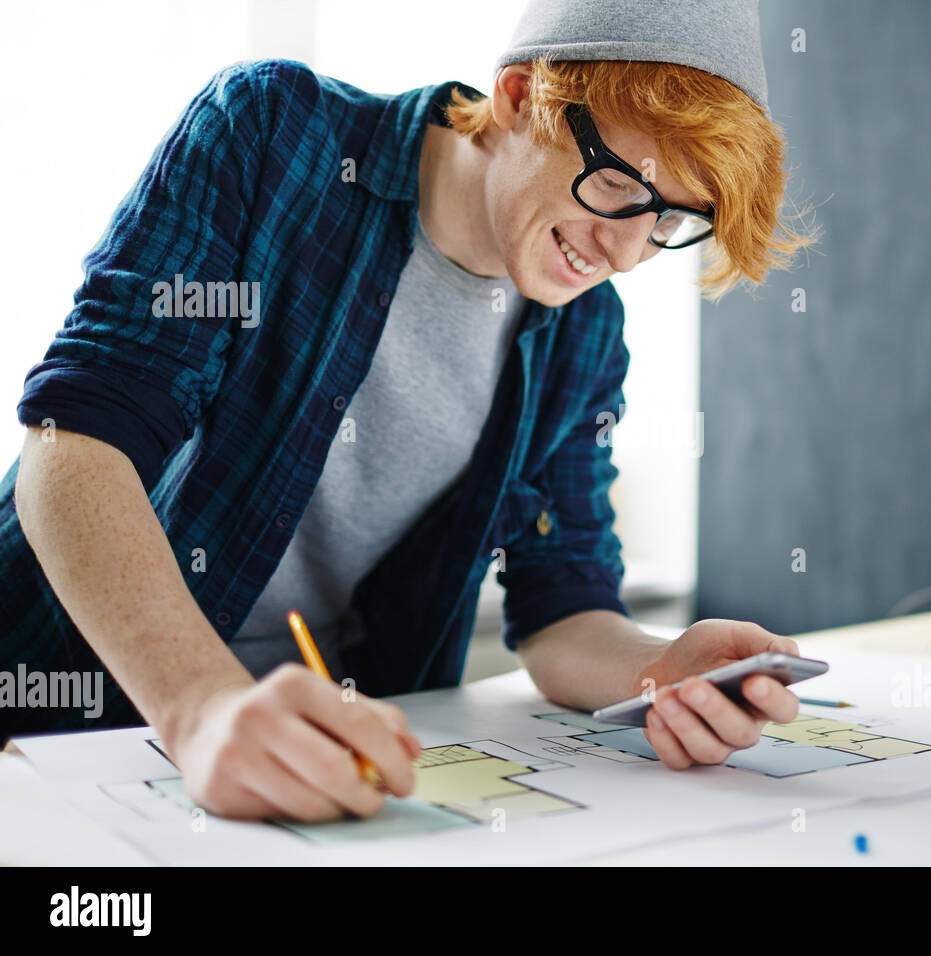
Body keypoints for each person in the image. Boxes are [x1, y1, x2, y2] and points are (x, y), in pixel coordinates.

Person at [0, 0, 817, 821]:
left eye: (668, 220)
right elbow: (75, 440)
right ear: (518, 94)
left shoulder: (587, 330)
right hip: (63, 719)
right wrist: (201, 707)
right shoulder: (273, 134)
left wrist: (663, 666)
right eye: (615, 185)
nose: (625, 254)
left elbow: (563, 600)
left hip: (320, 759)